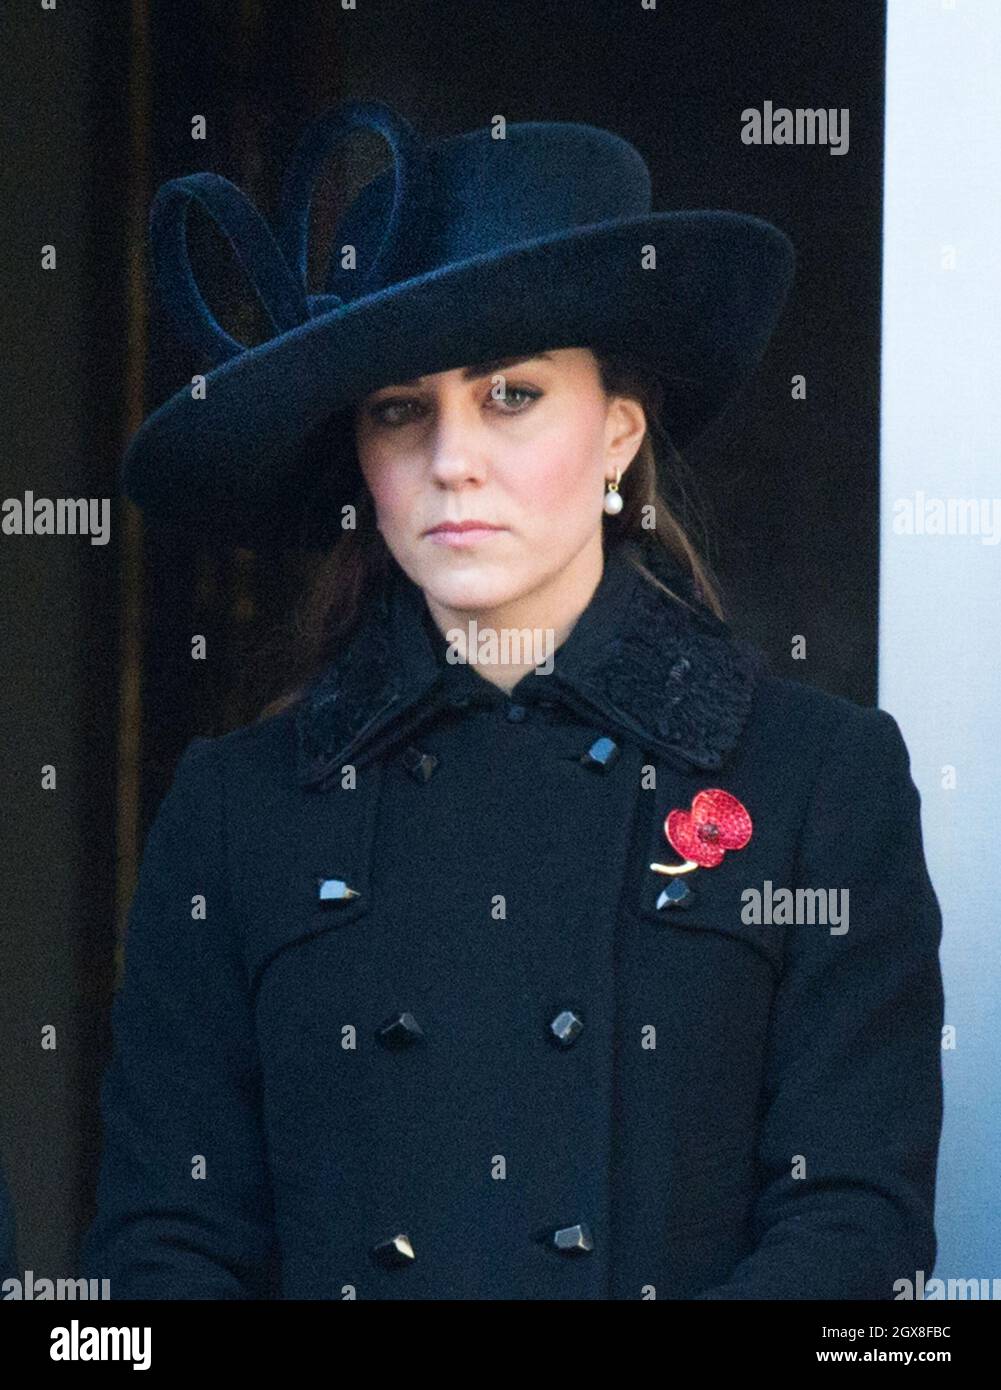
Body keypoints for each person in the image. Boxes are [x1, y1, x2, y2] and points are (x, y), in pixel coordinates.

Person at [81, 100, 944, 1300]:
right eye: (399, 409)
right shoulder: (234, 813)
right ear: (362, 461)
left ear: (616, 433)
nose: (451, 459)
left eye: (511, 394)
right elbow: (164, 1247)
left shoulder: (816, 780)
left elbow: (853, 1228)